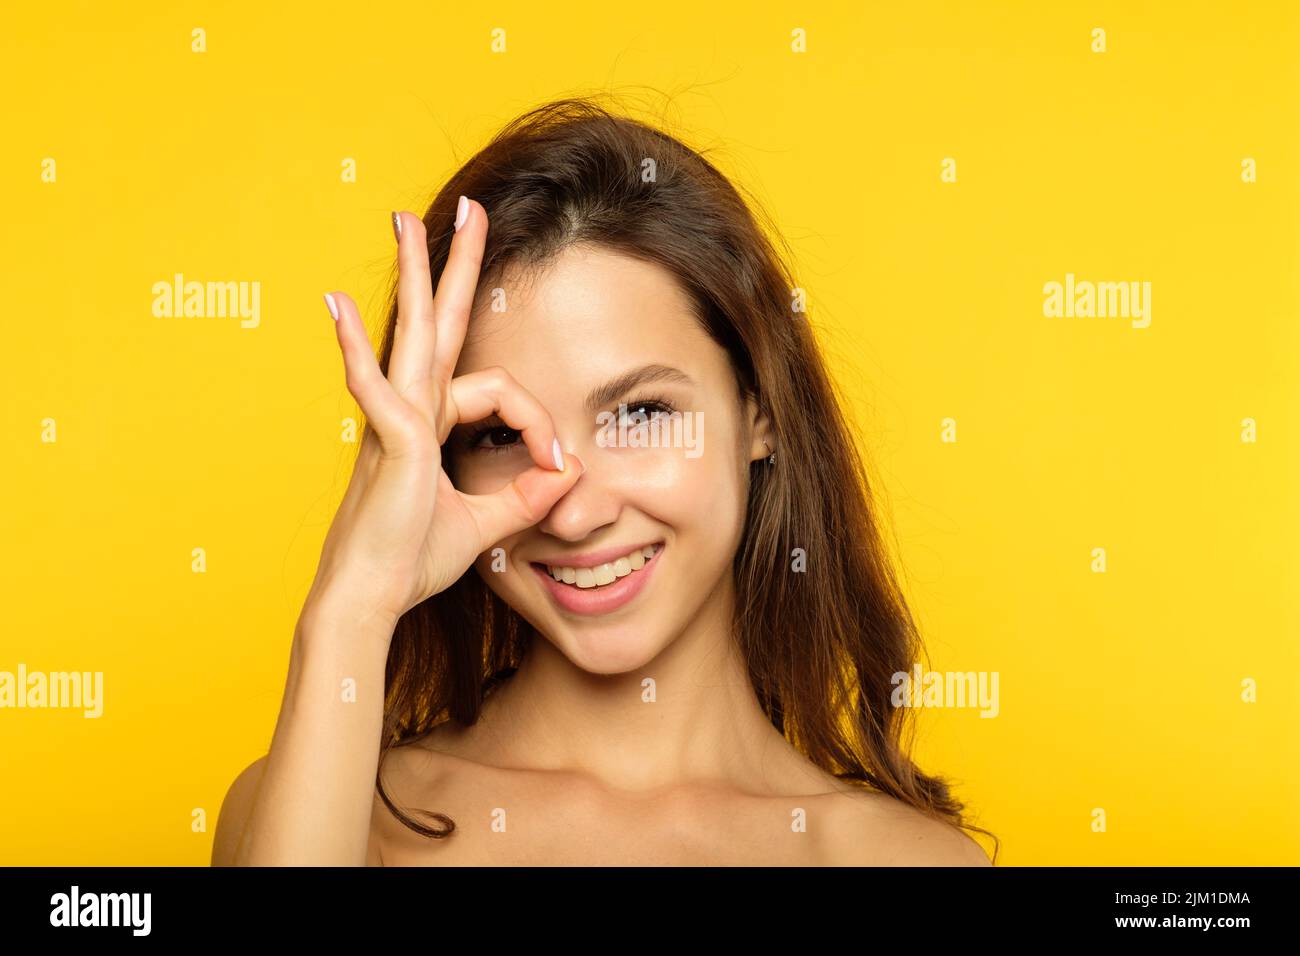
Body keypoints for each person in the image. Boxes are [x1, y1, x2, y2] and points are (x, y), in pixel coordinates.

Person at [211, 97, 996, 866]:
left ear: (759, 410)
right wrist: (352, 605)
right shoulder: (327, 817)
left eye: (641, 413)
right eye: (499, 435)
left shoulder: (908, 861)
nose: (577, 511)